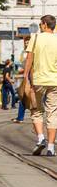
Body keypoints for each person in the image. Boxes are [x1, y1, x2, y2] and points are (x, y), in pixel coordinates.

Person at [23, 14, 57, 158]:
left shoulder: (35, 38)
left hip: (37, 81)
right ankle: (51, 147)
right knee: (52, 112)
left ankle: (41, 138)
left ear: (44, 24)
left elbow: (30, 58)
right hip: (54, 81)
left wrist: (25, 77)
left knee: (36, 110)